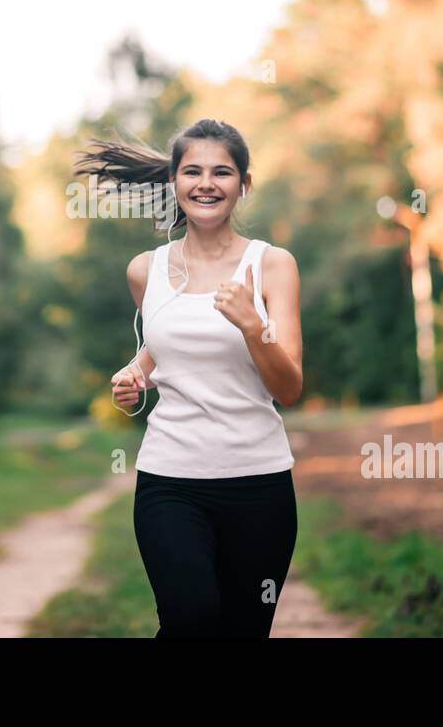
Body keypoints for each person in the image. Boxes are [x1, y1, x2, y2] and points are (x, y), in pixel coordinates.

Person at [72, 118, 304, 637]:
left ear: (244, 184)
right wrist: (135, 372)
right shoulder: (145, 270)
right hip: (170, 480)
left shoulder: (272, 265)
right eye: (193, 171)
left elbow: (288, 388)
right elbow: (167, 342)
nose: (206, 183)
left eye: (222, 172)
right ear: (174, 181)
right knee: (190, 619)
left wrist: (252, 326)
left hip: (258, 482)